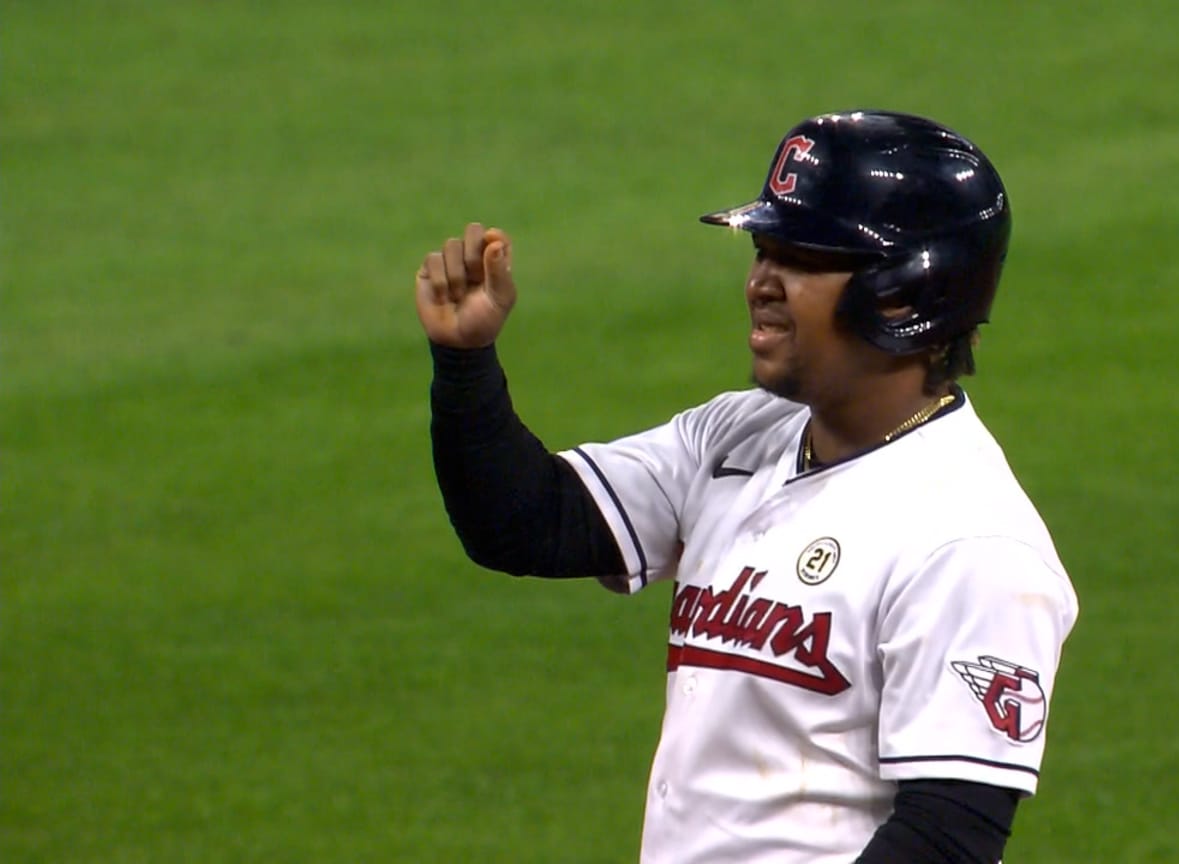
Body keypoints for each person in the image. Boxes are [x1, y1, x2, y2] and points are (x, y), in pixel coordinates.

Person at [414, 110, 1078, 864]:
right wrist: (465, 364)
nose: (760, 283)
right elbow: (525, 524)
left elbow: (946, 841)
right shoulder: (738, 434)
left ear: (904, 295)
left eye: (801, 259)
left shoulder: (972, 543)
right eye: (763, 251)